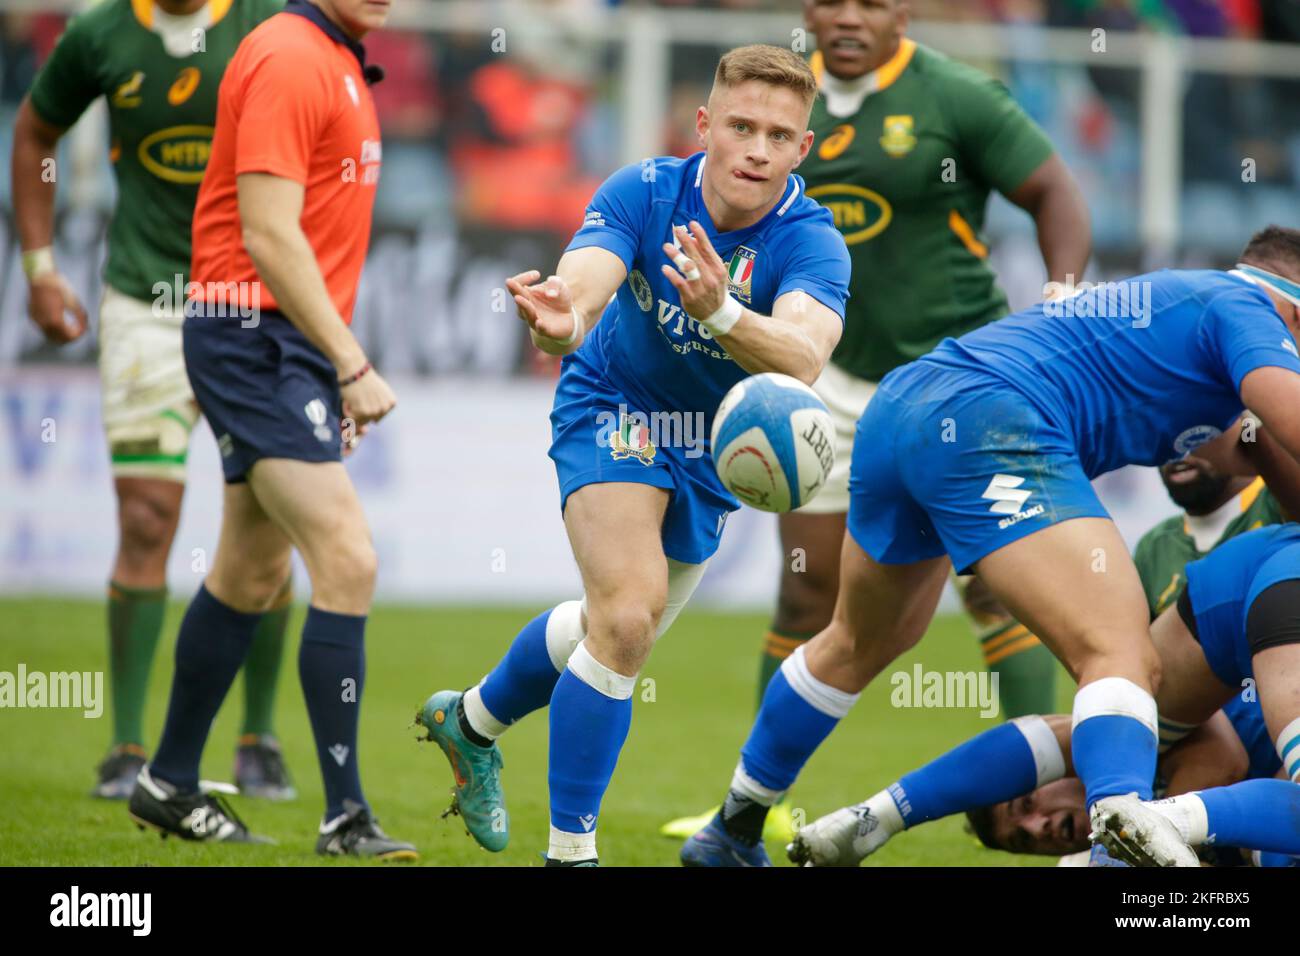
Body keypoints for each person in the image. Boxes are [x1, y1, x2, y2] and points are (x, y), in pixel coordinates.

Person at [683, 226, 1300, 867]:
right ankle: (1122, 829)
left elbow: (1259, 446)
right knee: (1118, 654)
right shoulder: (1247, 309)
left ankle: (732, 827)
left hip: (907, 404)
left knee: (858, 641)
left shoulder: (1199, 320)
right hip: (994, 420)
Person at [662, 0, 1091, 844]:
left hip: (957, 373)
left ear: (905, 11)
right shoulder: (782, 110)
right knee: (808, 588)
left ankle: (1038, 786)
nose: (849, 17)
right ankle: (755, 805)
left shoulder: (955, 96)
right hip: (824, 376)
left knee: (1000, 587)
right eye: (833, 2)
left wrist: (1064, 292)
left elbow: (1053, 190)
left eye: (872, 2)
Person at [416, 44, 851, 867]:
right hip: (613, 409)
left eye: (779, 135)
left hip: (711, 450)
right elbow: (585, 281)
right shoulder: (646, 190)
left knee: (615, 629)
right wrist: (562, 315)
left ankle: (469, 722)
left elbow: (801, 357)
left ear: (804, 149)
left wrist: (722, 314)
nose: (757, 149)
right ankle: (570, 854)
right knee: (625, 615)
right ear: (704, 126)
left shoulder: (814, 242)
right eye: (741, 126)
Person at [126, 0, 415, 859]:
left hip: (279, 343)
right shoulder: (291, 56)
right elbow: (265, 232)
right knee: (348, 557)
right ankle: (345, 817)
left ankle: (169, 782)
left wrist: (327, 364)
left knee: (251, 571)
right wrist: (350, 364)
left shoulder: (337, 56)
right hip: (253, 336)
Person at [10, 0, 295, 801]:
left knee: (274, 524)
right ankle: (126, 744)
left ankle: (258, 737)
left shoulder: (268, 23)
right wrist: (39, 266)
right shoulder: (100, 33)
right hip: (146, 299)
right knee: (143, 518)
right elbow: (36, 133)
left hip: (254, 299)